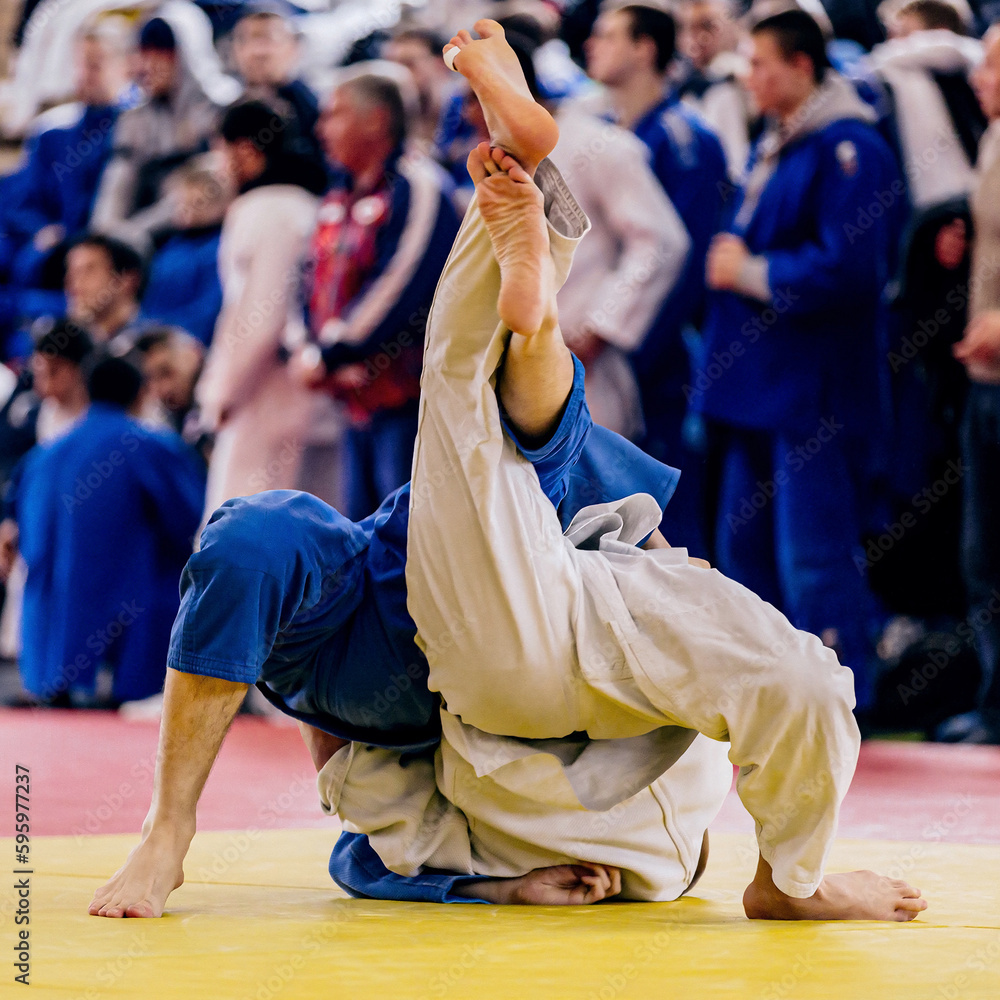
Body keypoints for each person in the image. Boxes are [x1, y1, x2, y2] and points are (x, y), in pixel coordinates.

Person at [89, 20, 926, 924]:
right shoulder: (653, 840)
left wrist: (486, 880)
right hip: (513, 600)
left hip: (518, 605)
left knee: (470, 436)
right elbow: (360, 825)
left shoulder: (639, 837)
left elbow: (363, 831)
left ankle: (532, 294)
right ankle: (533, 301)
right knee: (464, 452)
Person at [693, 8, 902, 711]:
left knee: (813, 556)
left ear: (802, 66)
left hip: (814, 390)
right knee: (746, 552)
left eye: (760, 63)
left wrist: (750, 272)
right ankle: (767, 703)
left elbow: (851, 269)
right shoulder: (778, 139)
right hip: (758, 385)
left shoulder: (850, 147)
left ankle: (839, 702)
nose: (749, 77)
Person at [585, 2, 729, 556]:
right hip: (606, 358)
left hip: (658, 364)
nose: (592, 45)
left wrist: (620, 347)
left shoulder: (686, 138)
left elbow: (681, 268)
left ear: (646, 48)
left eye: (609, 35)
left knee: (668, 519)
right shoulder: (600, 131)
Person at [295, 71, 459, 520]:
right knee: (363, 534)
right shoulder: (338, 194)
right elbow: (307, 281)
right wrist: (315, 350)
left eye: (335, 114)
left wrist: (334, 351)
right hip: (354, 399)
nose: (320, 127)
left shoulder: (419, 184)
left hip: (408, 399)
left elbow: (404, 281)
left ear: (376, 120)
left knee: (409, 534)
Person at [2, 347, 205, 707]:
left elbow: (16, 532)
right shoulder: (153, 447)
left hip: (45, 651)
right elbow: (188, 524)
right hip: (129, 647)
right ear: (141, 393)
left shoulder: (41, 457)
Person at [194, 98, 334, 521]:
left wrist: (221, 393)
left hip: (266, 395)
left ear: (244, 151)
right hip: (307, 394)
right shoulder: (310, 204)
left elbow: (261, 311)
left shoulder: (264, 209)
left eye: (220, 152)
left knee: (245, 535)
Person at [935, 24, 1000, 745]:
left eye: (990, 67)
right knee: (983, 552)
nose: (979, 78)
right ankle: (994, 706)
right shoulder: (991, 141)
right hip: (985, 381)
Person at [90, 16, 224, 254]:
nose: (146, 66)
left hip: (191, 235)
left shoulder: (215, 112)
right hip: (134, 240)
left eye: (157, 55)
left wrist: (131, 236)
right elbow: (118, 180)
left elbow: (195, 194)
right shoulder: (134, 119)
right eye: (143, 54)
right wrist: (104, 236)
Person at [140, 156, 230, 347]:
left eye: (198, 202)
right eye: (182, 202)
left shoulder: (220, 249)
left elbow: (209, 310)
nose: (187, 210)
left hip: (189, 344)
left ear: (222, 206)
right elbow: (150, 303)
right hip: (153, 337)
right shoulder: (170, 248)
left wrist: (166, 338)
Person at [229, 2, 326, 178]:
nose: (258, 51)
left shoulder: (316, 109)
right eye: (246, 40)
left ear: (294, 48)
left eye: (269, 39)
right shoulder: (227, 110)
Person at [675, 0, 754, 180]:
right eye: (686, 28)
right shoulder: (679, 86)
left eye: (707, 26)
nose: (697, 37)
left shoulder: (740, 77)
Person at [64, 234, 150, 345]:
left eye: (88, 271)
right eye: (72, 272)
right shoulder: (73, 346)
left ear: (127, 281)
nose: (72, 282)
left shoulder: (156, 347)